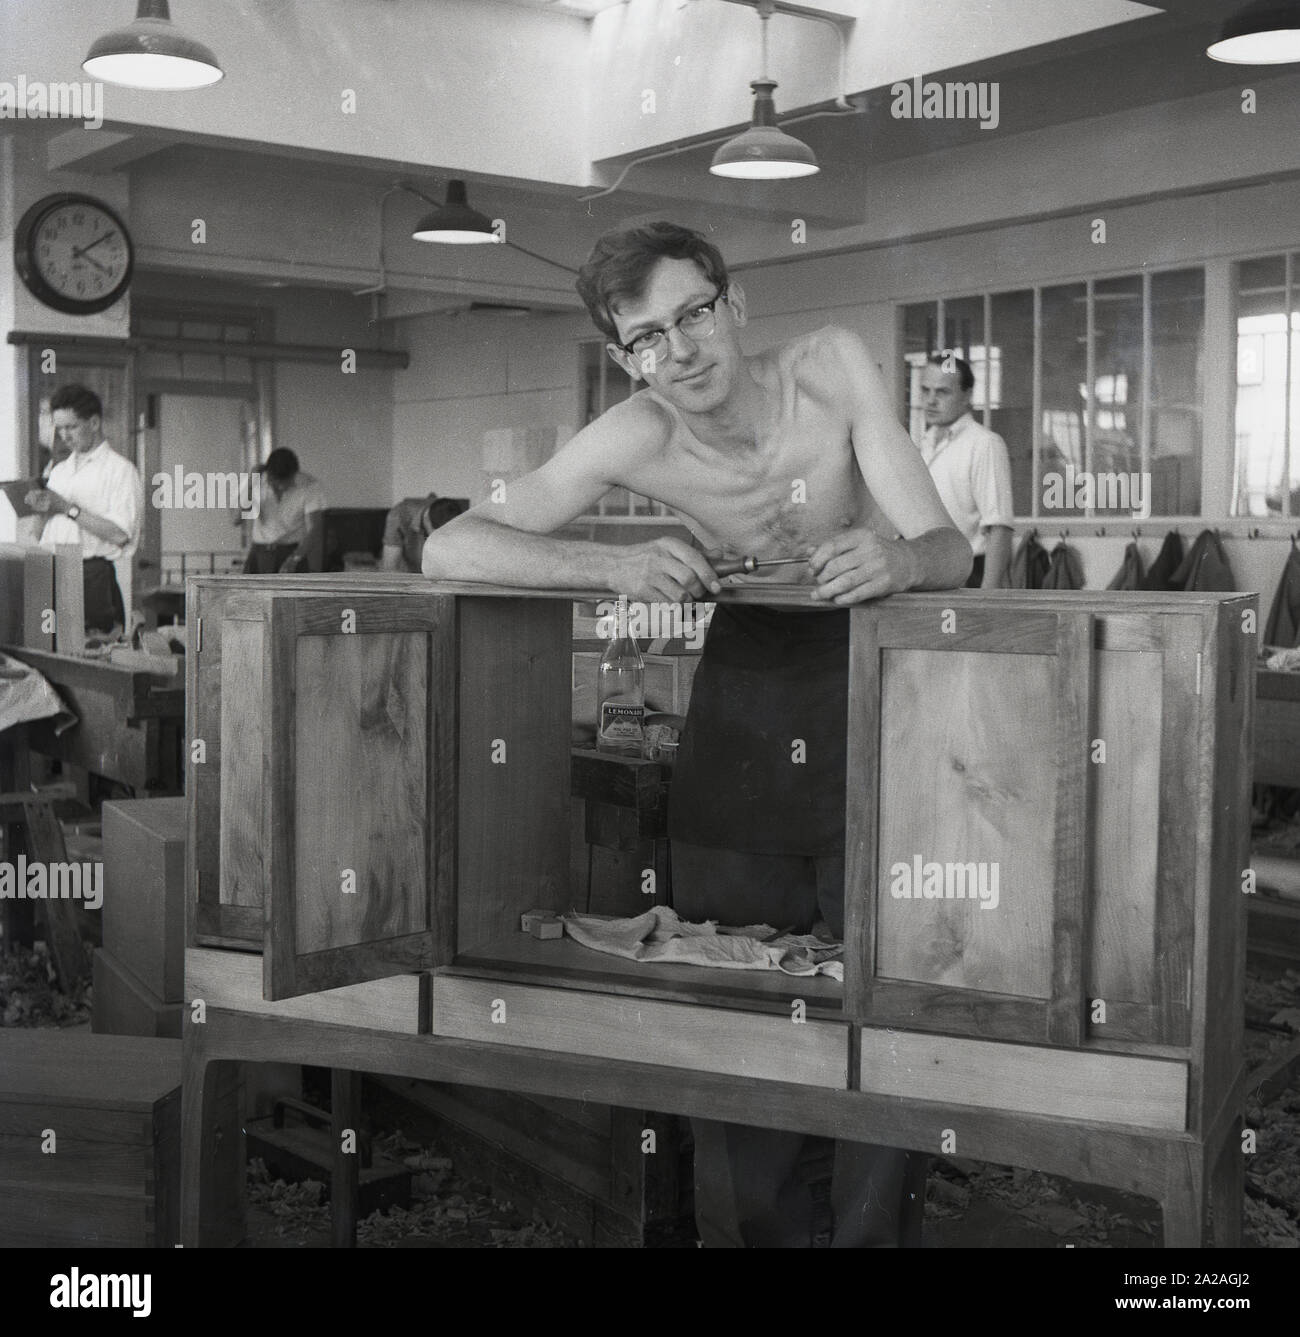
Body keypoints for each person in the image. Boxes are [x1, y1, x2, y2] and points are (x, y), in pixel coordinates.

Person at [422, 221, 970, 1248]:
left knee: (889, 1012)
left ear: (734, 303)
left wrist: (901, 563)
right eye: (644, 337)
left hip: (878, 707)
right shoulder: (637, 431)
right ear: (622, 354)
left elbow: (950, 548)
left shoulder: (832, 366)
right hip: (744, 717)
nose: (677, 351)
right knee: (733, 1009)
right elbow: (449, 545)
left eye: (692, 314)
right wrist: (615, 566)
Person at [26, 384, 143, 635]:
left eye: (71, 427)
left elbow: (120, 534)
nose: (64, 436)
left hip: (92, 578)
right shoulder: (59, 472)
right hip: (52, 571)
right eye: (59, 428)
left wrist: (67, 508)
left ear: (94, 423)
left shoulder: (120, 471)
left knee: (93, 659)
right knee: (51, 654)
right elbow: (38, 535)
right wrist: (41, 510)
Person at [916, 352, 1014, 588]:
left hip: (969, 575)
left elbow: (999, 527)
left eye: (942, 392)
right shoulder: (921, 445)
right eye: (925, 390)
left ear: (967, 395)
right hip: (923, 572)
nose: (930, 400)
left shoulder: (984, 444)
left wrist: (986, 598)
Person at [244, 448, 326, 574]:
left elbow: (314, 529)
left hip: (293, 552)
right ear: (269, 475)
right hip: (260, 553)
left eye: (285, 483)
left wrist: (295, 558)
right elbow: (236, 518)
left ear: (294, 474)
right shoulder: (257, 481)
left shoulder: (310, 485)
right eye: (276, 483)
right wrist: (250, 485)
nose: (281, 487)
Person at [381, 494, 467, 572]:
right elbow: (390, 568)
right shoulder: (398, 515)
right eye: (437, 537)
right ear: (426, 519)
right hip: (407, 575)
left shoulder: (461, 518)